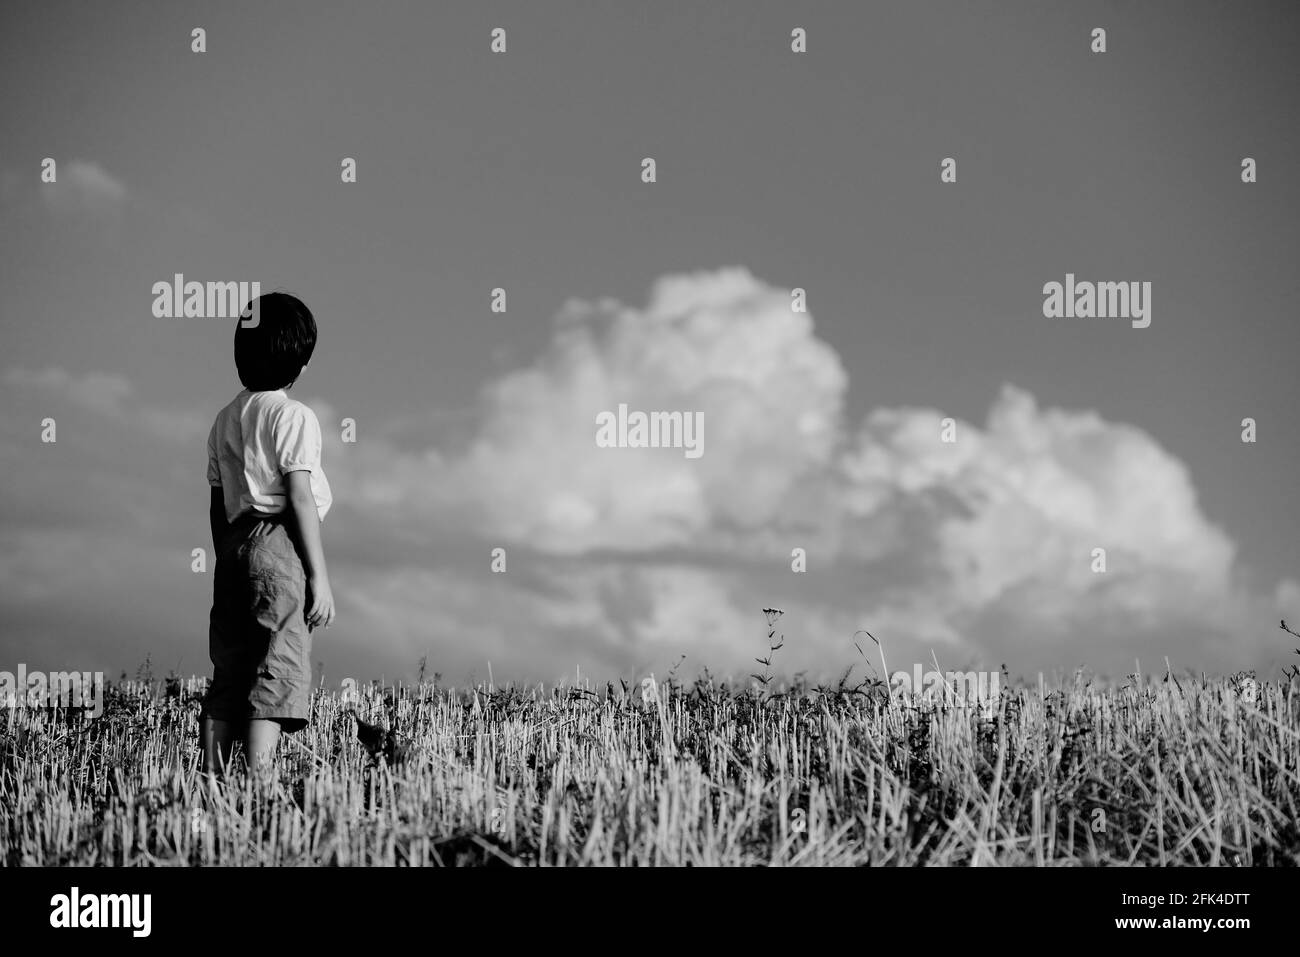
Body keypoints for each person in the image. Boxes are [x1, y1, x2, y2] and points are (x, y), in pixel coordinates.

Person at [199, 292, 335, 775]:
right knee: (275, 665)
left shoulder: (224, 420)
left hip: (233, 546)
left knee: (230, 668)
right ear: (302, 361)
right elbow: (299, 498)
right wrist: (319, 576)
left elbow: (217, 503)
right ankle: (259, 784)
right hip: (277, 545)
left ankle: (211, 779)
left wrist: (225, 559)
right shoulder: (293, 416)